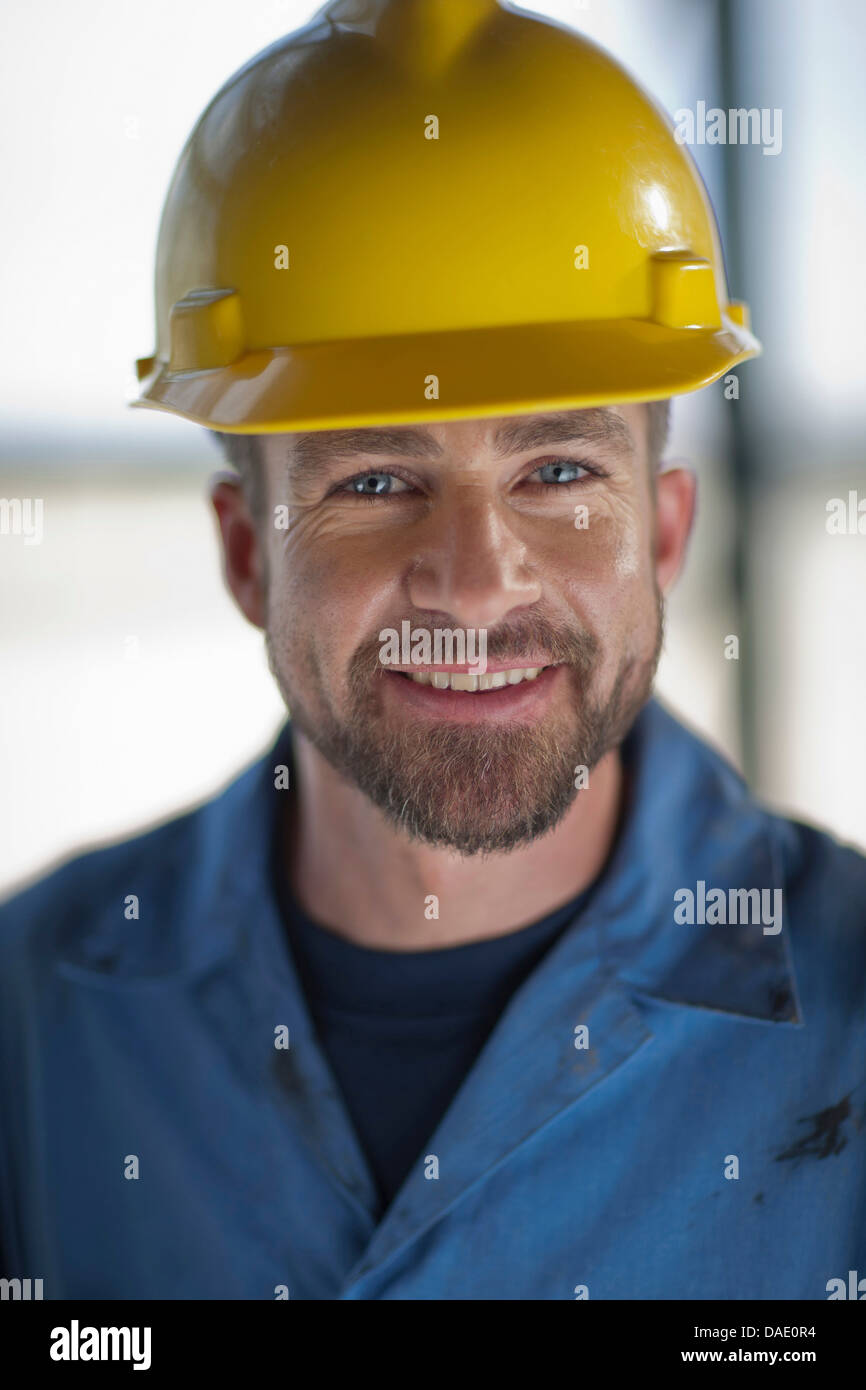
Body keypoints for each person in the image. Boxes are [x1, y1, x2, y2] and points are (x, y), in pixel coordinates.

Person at [1, 0, 864, 1301]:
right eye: (372, 481)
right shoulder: (30, 1016)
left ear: (664, 533)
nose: (473, 583)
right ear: (247, 552)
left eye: (558, 468)